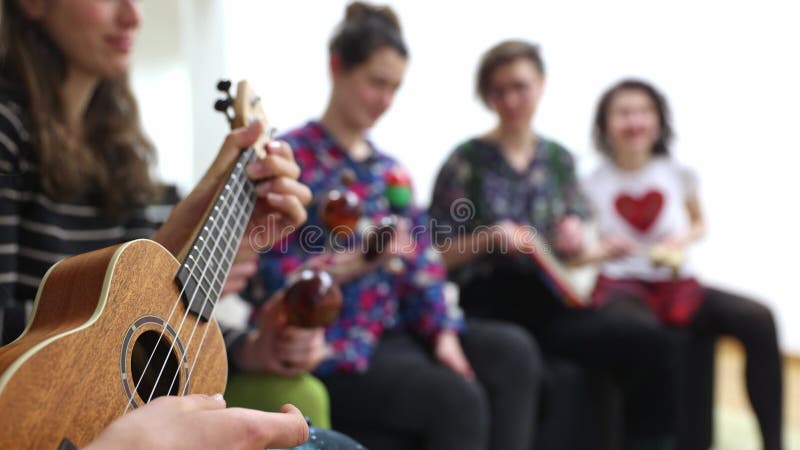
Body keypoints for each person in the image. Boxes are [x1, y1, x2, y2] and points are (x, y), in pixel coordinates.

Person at [0, 0, 355, 448]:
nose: (134, 16)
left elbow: (145, 319)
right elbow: (88, 317)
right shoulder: (6, 132)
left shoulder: (117, 152)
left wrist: (253, 347)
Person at [254, 3, 542, 450]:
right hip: (337, 342)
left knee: (514, 352)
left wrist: (442, 333)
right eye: (376, 82)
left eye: (395, 88)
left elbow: (422, 260)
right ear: (337, 67)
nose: (385, 100)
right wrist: (348, 262)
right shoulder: (289, 160)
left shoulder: (392, 171)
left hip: (398, 324)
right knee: (456, 401)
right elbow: (268, 274)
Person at [428, 40, 676, 450]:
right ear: (487, 95)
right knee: (530, 359)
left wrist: (577, 232)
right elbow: (434, 257)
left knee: (647, 340)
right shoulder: (466, 161)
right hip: (491, 303)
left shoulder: (559, 161)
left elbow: (573, 247)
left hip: (552, 302)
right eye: (499, 89)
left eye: (520, 86)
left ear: (540, 85)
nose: (510, 99)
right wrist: (489, 237)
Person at [579, 78, 783, 450]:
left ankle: (773, 441)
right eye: (623, 114)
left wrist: (681, 239)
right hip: (622, 285)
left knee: (758, 317)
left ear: (658, 120)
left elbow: (699, 223)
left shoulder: (677, 172)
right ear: (606, 124)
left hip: (678, 283)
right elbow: (578, 249)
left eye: (643, 112)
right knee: (642, 335)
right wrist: (605, 249)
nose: (634, 122)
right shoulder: (590, 182)